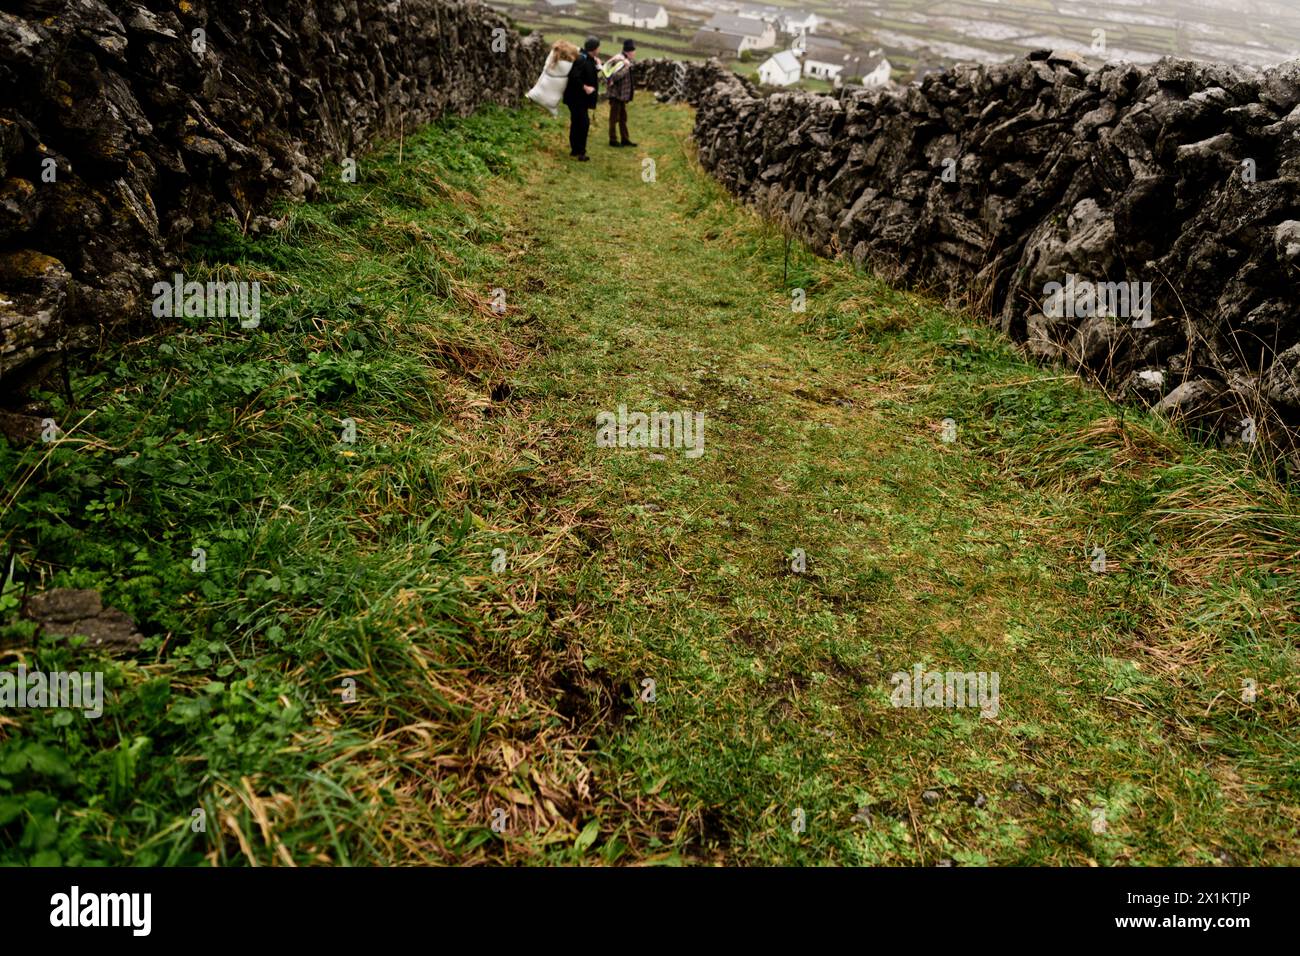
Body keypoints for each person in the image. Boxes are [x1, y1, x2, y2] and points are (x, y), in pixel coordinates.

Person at [563, 37, 601, 162]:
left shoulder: (589, 59)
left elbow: (588, 72)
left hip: (578, 99)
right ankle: (581, 153)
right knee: (583, 124)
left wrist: (598, 67)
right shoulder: (581, 59)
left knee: (576, 123)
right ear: (594, 49)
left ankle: (575, 150)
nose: (599, 49)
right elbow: (574, 76)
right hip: (577, 98)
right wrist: (585, 87)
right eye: (598, 47)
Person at [602, 39, 638, 148]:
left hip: (621, 96)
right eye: (633, 51)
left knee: (623, 118)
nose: (634, 53)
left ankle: (625, 139)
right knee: (614, 118)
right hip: (615, 95)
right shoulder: (620, 60)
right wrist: (626, 67)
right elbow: (614, 77)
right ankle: (612, 139)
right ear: (628, 52)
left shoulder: (625, 60)